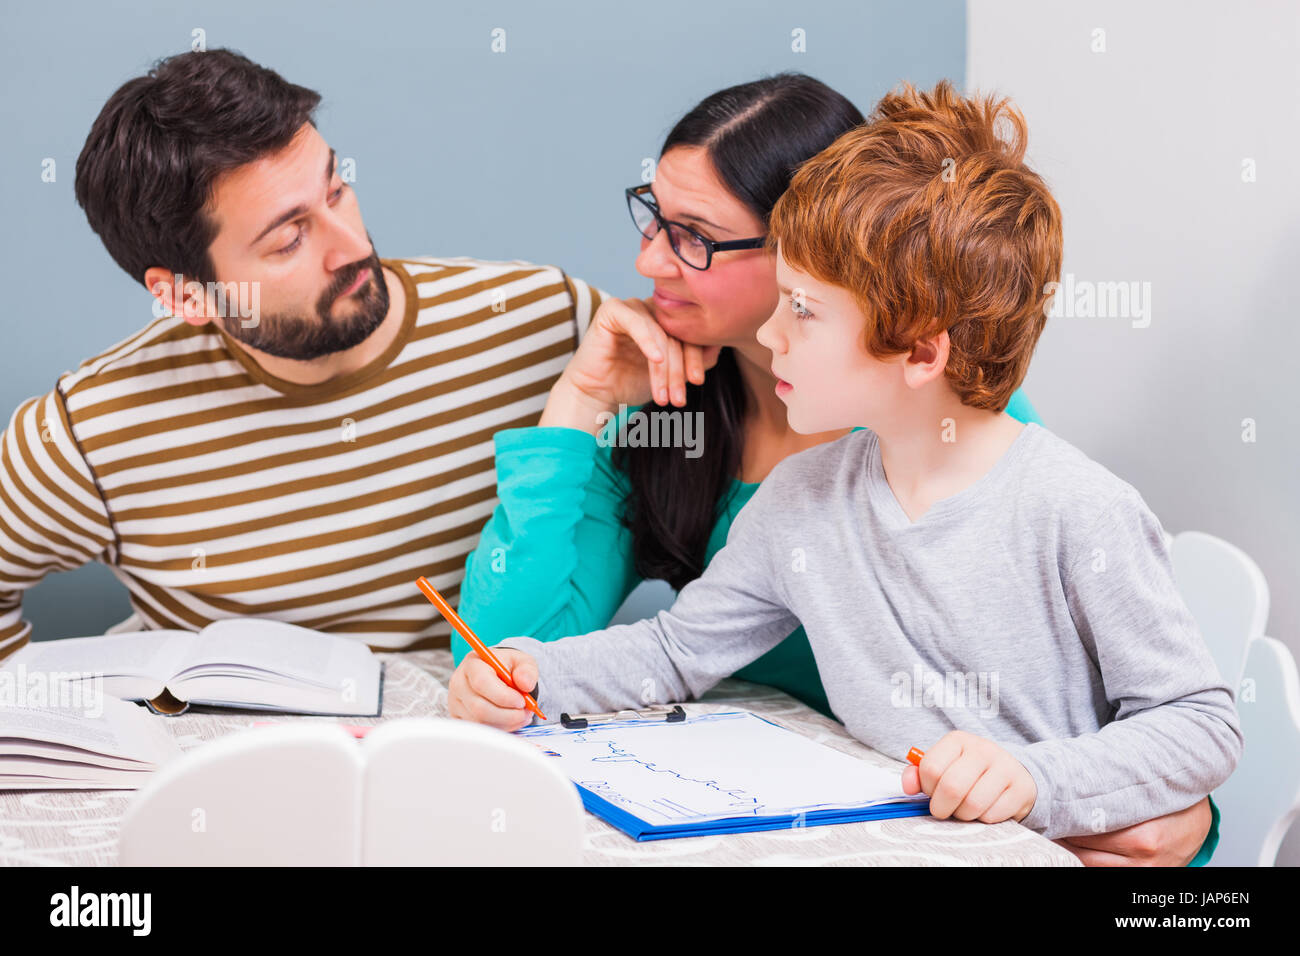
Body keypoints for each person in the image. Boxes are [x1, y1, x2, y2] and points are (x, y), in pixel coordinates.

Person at [449, 80, 1238, 862]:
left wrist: (1036, 779)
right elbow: (671, 652)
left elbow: (1200, 725)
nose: (773, 333)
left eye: (802, 310)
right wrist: (531, 671)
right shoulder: (801, 499)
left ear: (923, 350)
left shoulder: (1075, 508)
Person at [0, 48, 603, 655]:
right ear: (185, 295)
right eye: (289, 239)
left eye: (336, 190)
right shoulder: (88, 433)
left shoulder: (550, 326)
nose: (352, 247)